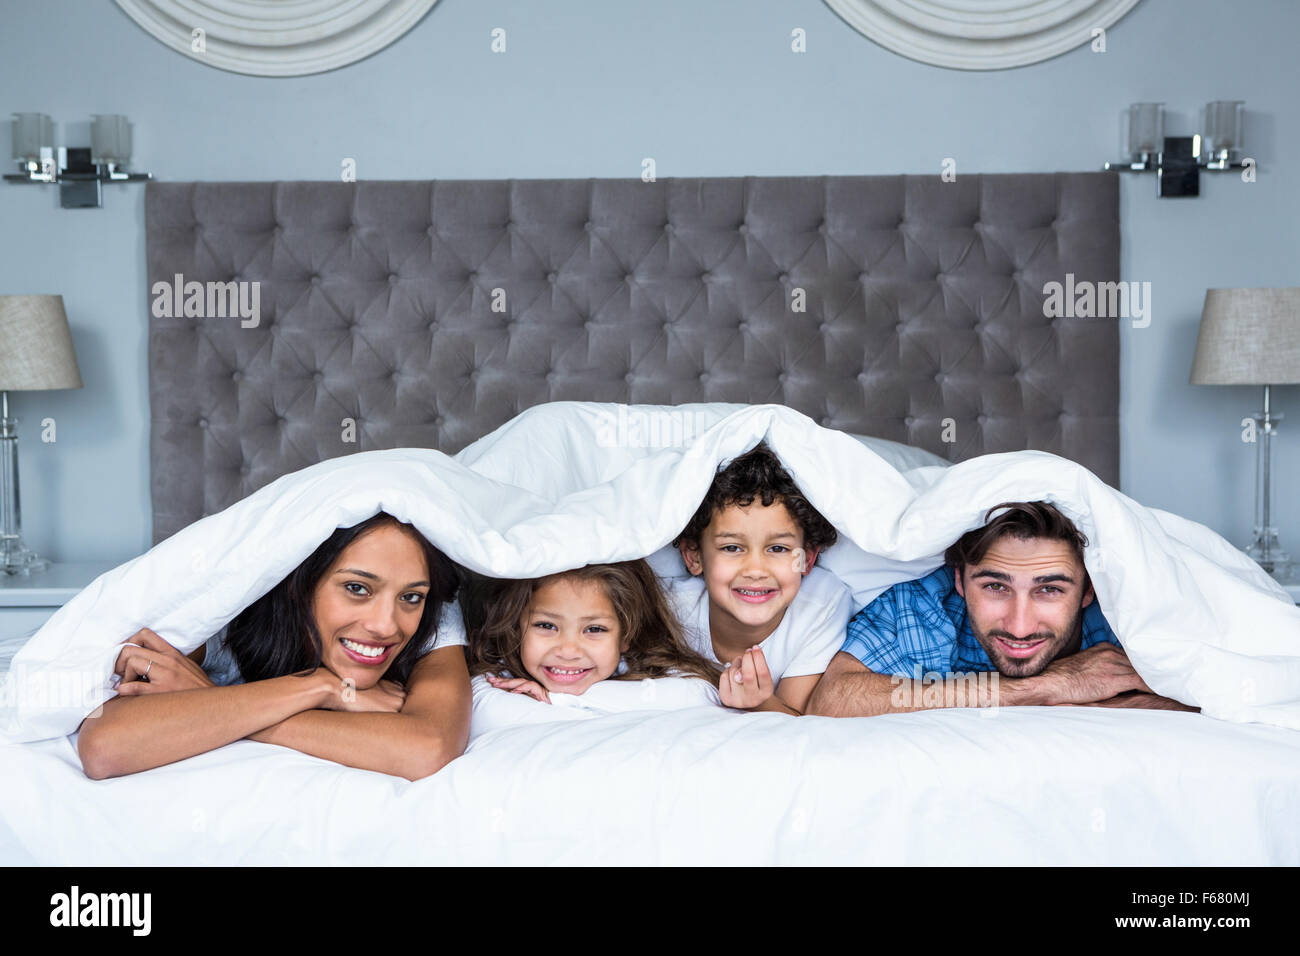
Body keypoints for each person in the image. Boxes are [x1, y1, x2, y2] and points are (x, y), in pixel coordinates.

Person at [76, 511, 472, 780]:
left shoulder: (434, 615)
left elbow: (428, 749)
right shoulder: (225, 616)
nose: (386, 625)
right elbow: (104, 747)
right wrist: (319, 687)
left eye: (410, 597)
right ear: (301, 583)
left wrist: (214, 700)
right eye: (356, 588)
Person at [807, 500, 1198, 717]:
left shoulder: (1132, 611)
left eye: (1049, 590)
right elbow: (833, 697)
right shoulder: (925, 608)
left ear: (1088, 591)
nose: (1020, 625)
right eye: (996, 587)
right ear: (959, 581)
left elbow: (1212, 695)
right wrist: (1041, 687)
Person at [665, 441, 854, 715]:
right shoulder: (671, 611)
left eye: (778, 549)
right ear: (694, 556)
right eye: (732, 548)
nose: (755, 570)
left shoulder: (822, 605)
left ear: (808, 559)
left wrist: (760, 702)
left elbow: (800, 719)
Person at [468, 560, 722, 703]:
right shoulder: (498, 682)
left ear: (626, 636)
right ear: (517, 625)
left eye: (594, 629)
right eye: (546, 626)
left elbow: (699, 693)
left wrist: (557, 701)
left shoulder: (660, 677)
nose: (568, 651)